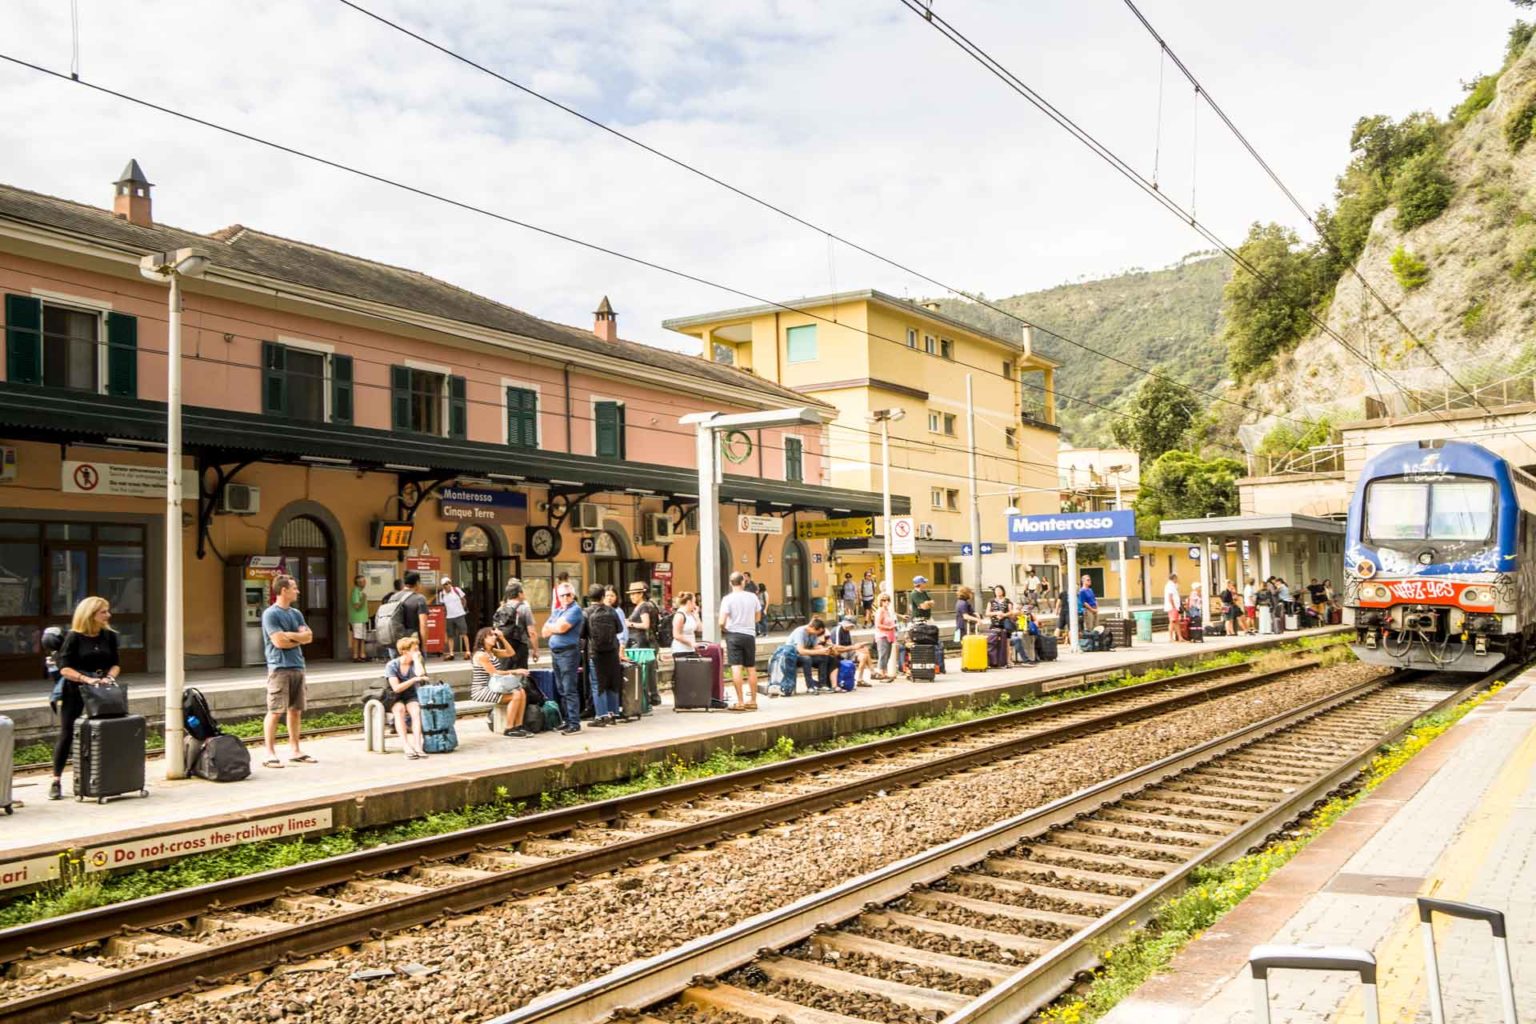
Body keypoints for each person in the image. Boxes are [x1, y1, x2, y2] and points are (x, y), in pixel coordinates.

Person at [50, 596, 120, 800]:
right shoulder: (74, 637)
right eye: (103, 612)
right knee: (67, 732)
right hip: (76, 689)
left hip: (102, 689)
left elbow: (116, 663)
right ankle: (56, 780)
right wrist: (85, 679)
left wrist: (109, 677)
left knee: (107, 730)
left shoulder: (109, 636)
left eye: (107, 611)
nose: (108, 615)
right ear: (90, 615)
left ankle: (106, 777)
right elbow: (64, 668)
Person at [261, 574, 315, 768]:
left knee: (296, 710)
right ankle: (269, 753)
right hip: (279, 667)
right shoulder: (270, 614)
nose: (297, 591)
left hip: (298, 666)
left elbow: (309, 637)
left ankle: (295, 750)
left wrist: (289, 637)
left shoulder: (296, 614)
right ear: (284, 590)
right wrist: (296, 637)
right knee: (275, 711)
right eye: (294, 588)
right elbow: (278, 642)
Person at [541, 580, 585, 734]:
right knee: (561, 688)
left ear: (573, 595)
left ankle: (574, 722)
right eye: (562, 595)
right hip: (556, 652)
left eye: (568, 594)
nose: (565, 597)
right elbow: (544, 632)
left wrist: (555, 627)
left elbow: (561, 627)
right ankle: (566, 720)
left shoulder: (575, 610)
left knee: (569, 688)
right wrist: (555, 628)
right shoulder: (558, 611)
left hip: (568, 653)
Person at [469, 626, 530, 738]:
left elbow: (510, 653)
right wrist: (515, 671)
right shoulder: (481, 655)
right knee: (515, 695)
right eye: (490, 635)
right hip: (481, 690)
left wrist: (502, 638)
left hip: (494, 686)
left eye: (494, 635)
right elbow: (495, 673)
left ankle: (518, 726)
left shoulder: (492, 652)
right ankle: (509, 728)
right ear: (483, 638)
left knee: (521, 691)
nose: (494, 637)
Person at [718, 572, 760, 709]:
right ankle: (753, 700)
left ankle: (740, 702)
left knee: (736, 667)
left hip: (733, 635)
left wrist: (726, 628)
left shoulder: (727, 599)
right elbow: (758, 618)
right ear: (743, 582)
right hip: (749, 635)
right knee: (751, 668)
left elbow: (721, 621)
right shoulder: (753, 597)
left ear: (730, 583)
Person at [382, 637, 429, 759]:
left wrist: (417, 660)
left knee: (416, 711)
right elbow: (396, 688)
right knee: (399, 710)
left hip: (411, 694)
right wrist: (413, 680)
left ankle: (418, 745)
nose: (418, 652)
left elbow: (421, 675)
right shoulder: (392, 665)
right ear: (404, 651)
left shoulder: (416, 662)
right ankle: (406, 745)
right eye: (414, 650)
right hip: (395, 697)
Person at [585, 585, 624, 727]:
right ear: (603, 596)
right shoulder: (611, 611)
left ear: (589, 597)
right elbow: (619, 629)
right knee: (611, 683)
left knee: (597, 684)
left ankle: (601, 716)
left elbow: (583, 633)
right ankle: (613, 714)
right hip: (612, 651)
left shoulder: (586, 612)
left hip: (595, 653)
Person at [625, 580, 662, 710]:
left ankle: (648, 698)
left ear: (641, 594)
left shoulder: (643, 606)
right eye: (631, 594)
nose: (632, 596)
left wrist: (630, 624)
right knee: (649, 671)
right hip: (643, 642)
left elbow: (645, 625)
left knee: (644, 672)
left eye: (634, 594)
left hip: (642, 643)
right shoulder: (645, 605)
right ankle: (653, 697)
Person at [492, 580, 538, 668]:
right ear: (519, 593)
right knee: (520, 674)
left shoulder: (501, 608)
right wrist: (536, 650)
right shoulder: (524, 608)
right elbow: (532, 633)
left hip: (504, 646)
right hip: (520, 646)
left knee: (505, 672)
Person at [907, 574, 945, 675]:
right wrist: (928, 604)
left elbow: (932, 603)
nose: (925, 584)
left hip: (928, 619)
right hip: (920, 621)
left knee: (936, 641)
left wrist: (927, 603)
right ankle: (931, 666)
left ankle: (939, 666)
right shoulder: (914, 594)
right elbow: (923, 606)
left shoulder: (924, 593)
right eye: (924, 582)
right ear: (919, 584)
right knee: (925, 642)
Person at [787, 617, 834, 693]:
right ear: (811, 627)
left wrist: (825, 649)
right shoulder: (800, 632)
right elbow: (801, 651)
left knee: (824, 657)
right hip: (793, 655)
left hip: (806, 653)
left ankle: (823, 684)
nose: (818, 634)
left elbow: (815, 646)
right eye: (817, 631)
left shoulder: (814, 633)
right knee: (807, 659)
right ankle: (810, 686)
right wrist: (820, 652)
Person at [826, 616, 874, 686]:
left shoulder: (847, 631)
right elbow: (836, 647)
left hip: (847, 651)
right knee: (863, 651)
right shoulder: (837, 630)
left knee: (864, 653)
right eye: (852, 626)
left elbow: (850, 645)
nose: (852, 628)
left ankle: (860, 679)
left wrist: (857, 647)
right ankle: (873, 671)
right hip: (840, 652)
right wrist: (853, 647)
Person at [393, 571, 429, 657]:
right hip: (412, 642)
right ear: (417, 583)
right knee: (417, 669)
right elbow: (423, 624)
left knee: (398, 669)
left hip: (395, 642)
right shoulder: (419, 598)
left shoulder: (393, 597)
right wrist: (424, 646)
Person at [438, 578, 471, 660]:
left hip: (460, 615)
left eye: (448, 583)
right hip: (449, 617)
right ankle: (451, 653)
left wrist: (462, 609)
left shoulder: (456, 590)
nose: (447, 585)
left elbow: (464, 600)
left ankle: (468, 652)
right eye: (445, 584)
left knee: (464, 633)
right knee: (450, 635)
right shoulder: (442, 594)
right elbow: (443, 605)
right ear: (443, 586)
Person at [872, 591, 899, 680]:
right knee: (883, 654)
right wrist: (890, 627)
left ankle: (885, 672)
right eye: (884, 600)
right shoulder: (880, 611)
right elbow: (878, 625)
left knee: (887, 654)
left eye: (888, 600)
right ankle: (880, 672)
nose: (886, 602)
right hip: (882, 635)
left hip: (889, 635)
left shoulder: (887, 611)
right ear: (880, 601)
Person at [348, 575, 369, 663]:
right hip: (357, 619)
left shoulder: (360, 591)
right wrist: (363, 599)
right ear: (357, 583)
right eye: (361, 582)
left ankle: (362, 654)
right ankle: (356, 655)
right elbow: (356, 606)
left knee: (362, 637)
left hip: (362, 618)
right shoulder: (356, 591)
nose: (363, 583)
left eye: (364, 581)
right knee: (357, 637)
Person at [1163, 572, 1183, 643]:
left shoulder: (1173, 585)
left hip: (1174, 607)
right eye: (1177, 578)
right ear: (1174, 578)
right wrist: (1174, 607)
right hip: (1172, 607)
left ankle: (1180, 637)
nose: (1178, 579)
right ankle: (1171, 638)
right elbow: (1170, 597)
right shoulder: (1170, 586)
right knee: (1172, 621)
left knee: (1176, 622)